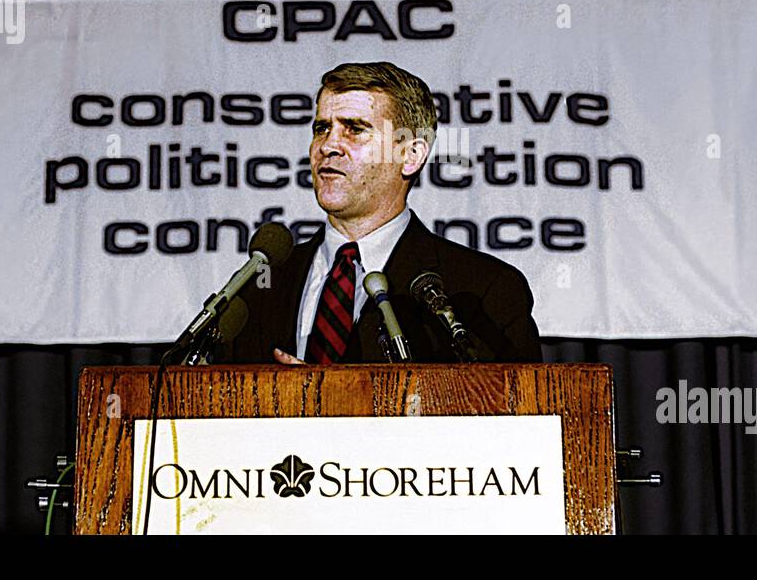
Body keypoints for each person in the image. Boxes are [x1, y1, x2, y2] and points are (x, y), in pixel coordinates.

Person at [218, 61, 542, 364]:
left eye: (354, 129)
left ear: (411, 155)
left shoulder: (483, 292)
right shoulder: (258, 286)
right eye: (321, 128)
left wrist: (329, 396)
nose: (328, 146)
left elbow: (507, 403)